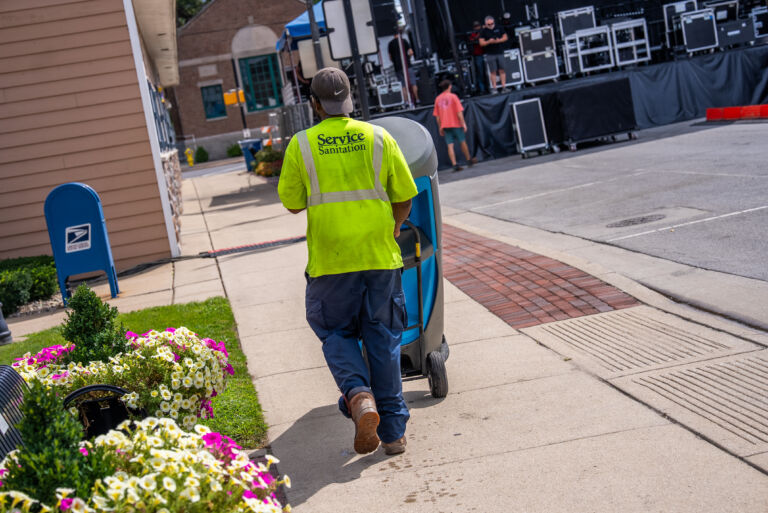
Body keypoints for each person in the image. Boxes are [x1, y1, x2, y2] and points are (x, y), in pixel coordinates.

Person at [277, 67, 418, 456]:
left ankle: (358, 396)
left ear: (315, 104)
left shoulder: (301, 145)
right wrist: (392, 228)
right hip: (379, 257)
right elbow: (405, 195)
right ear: (350, 99)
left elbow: (291, 203)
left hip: (331, 263)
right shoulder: (379, 138)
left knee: (335, 332)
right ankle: (393, 434)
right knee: (383, 339)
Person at [433, 79, 476, 172]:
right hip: (455, 124)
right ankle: (468, 159)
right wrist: (463, 123)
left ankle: (454, 164)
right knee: (462, 142)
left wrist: (440, 127)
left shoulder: (438, 99)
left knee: (450, 145)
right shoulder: (453, 97)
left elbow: (437, 116)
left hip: (445, 125)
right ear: (450, 86)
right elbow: (459, 112)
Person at [387, 28, 419, 104]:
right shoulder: (404, 41)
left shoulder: (390, 44)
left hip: (398, 67)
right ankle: (417, 99)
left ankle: (406, 101)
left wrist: (395, 61)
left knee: (403, 85)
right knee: (413, 83)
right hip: (407, 65)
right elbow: (411, 52)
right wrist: (408, 58)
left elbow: (390, 57)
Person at [479, 15, 509, 93]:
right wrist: (489, 41)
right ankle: (494, 88)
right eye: (489, 24)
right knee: (493, 71)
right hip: (490, 53)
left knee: (502, 70)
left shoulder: (499, 28)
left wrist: (498, 40)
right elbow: (481, 43)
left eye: (492, 23)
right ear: (486, 24)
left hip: (500, 52)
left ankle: (504, 87)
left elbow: (505, 37)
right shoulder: (483, 31)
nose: (491, 25)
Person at [467, 21, 487, 94]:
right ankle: (482, 89)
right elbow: (472, 39)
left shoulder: (484, 32)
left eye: (478, 26)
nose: (477, 28)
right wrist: (479, 33)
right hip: (478, 55)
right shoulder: (472, 34)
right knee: (480, 72)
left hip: (488, 54)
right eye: (475, 27)